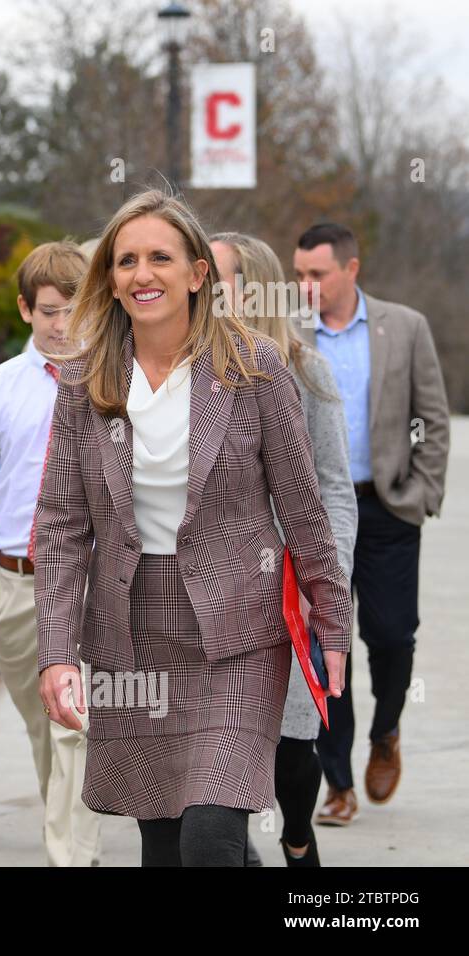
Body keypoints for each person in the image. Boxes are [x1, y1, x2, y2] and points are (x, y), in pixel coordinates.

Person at [35, 189, 352, 867]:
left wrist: (333, 626)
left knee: (211, 833)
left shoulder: (254, 369)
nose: (142, 274)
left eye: (160, 257)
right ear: (110, 279)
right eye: (126, 261)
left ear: (197, 272)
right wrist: (56, 651)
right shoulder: (83, 382)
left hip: (236, 629)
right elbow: (61, 527)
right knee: (163, 840)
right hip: (132, 629)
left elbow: (304, 509)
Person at [293, 223, 450, 825]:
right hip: (314, 512)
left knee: (390, 637)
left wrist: (421, 493)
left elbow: (432, 418)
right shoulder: (286, 331)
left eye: (317, 274)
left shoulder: (404, 326)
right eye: (299, 273)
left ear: (351, 269)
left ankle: (386, 731)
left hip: (386, 508)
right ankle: (336, 782)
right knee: (324, 643)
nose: (306, 285)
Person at [0, 240, 103, 866]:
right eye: (48, 310)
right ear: (24, 310)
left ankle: (73, 855)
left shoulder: (114, 380)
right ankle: (71, 832)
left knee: (78, 725)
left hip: (93, 582)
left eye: (74, 309)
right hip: (16, 585)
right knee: (46, 727)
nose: (62, 323)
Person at [212, 232, 357, 866]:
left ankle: (298, 841)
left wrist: (328, 577)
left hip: (291, 589)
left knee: (291, 747)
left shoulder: (304, 370)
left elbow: (333, 484)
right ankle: (233, 846)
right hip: (212, 592)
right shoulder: (181, 369)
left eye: (215, 274)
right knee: (220, 744)